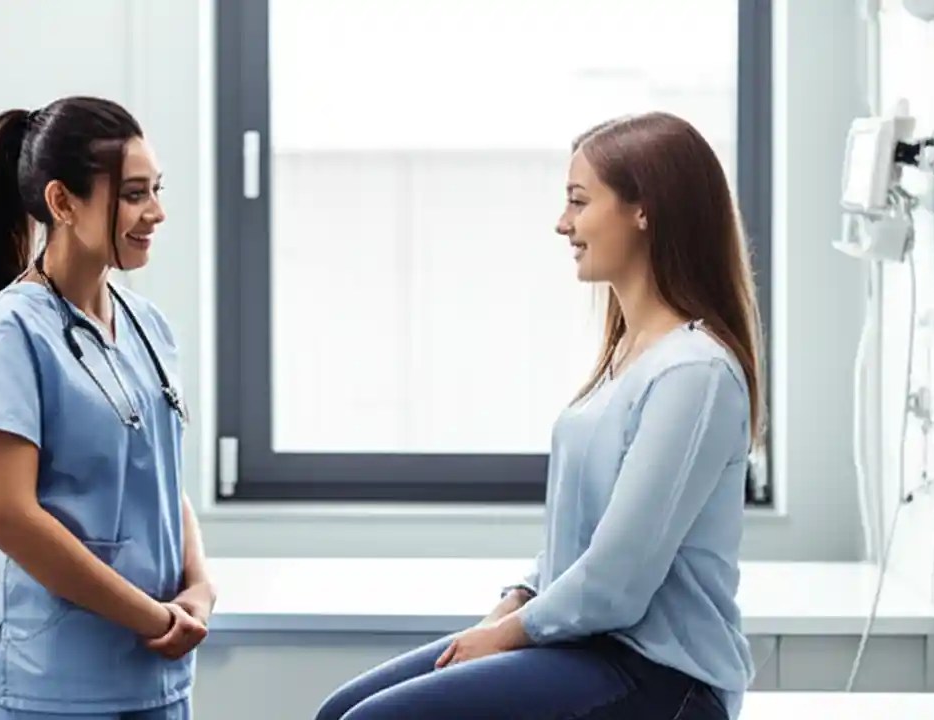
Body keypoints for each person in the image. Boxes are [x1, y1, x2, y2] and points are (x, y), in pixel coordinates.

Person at [315, 112, 762, 720]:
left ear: (643, 211)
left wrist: (506, 636)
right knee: (340, 710)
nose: (563, 224)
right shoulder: (627, 359)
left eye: (579, 202)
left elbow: (617, 579)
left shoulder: (694, 374)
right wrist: (514, 603)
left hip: (659, 675)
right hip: (585, 647)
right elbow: (582, 539)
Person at [0, 96, 214, 720]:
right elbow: (8, 517)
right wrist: (150, 615)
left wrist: (199, 584)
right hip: (52, 686)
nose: (156, 212)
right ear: (62, 203)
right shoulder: (9, 333)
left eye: (155, 189)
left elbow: (160, 475)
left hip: (154, 675)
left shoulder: (147, 325)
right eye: (132, 194)